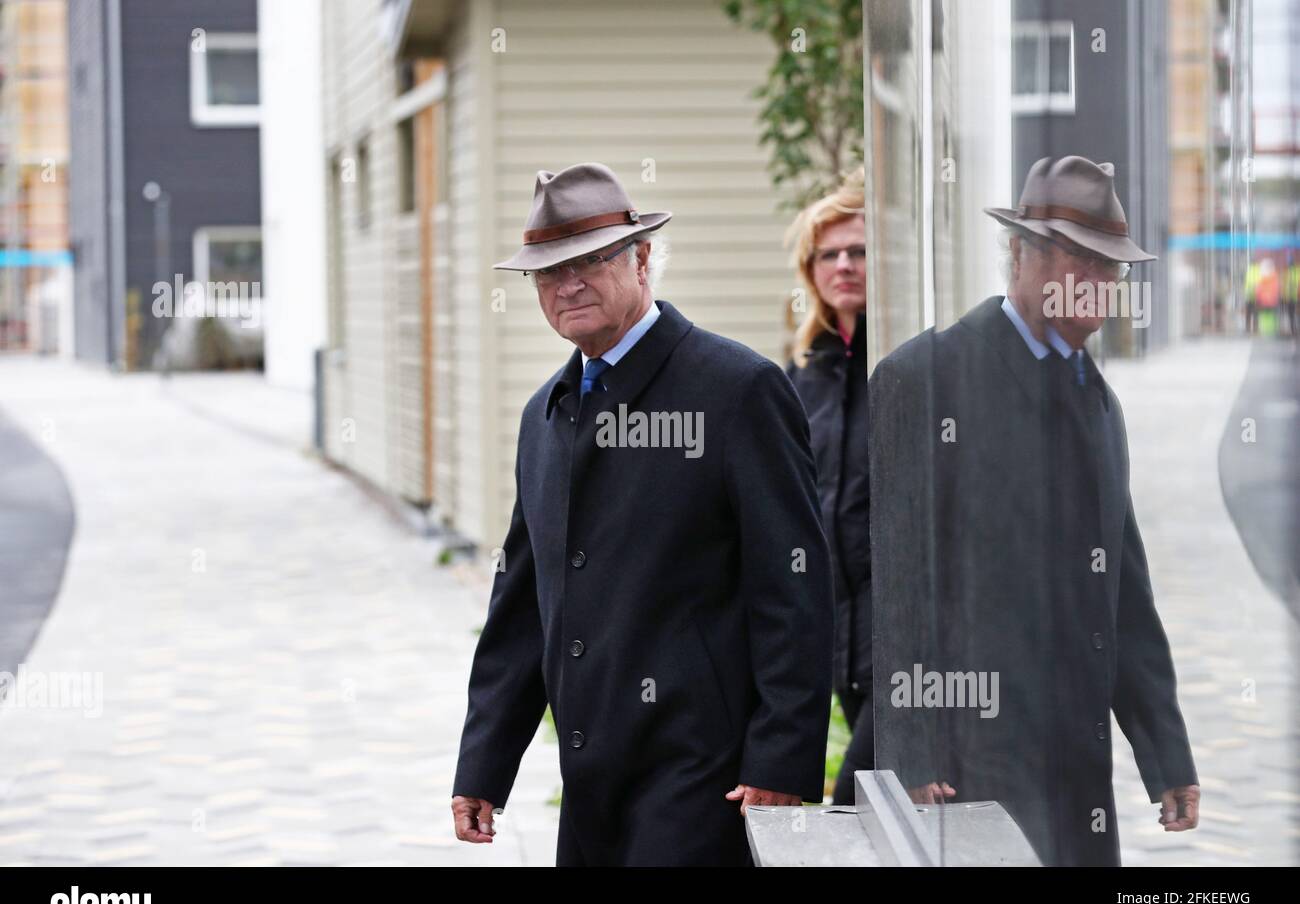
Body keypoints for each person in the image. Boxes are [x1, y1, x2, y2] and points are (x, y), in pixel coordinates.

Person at [450, 162, 833, 865]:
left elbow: (795, 587)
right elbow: (521, 608)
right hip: (591, 783)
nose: (568, 285)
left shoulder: (738, 389)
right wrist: (484, 761)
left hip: (704, 779)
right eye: (547, 271)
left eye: (591, 261)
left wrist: (782, 754)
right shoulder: (546, 415)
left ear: (643, 258)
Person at [869, 156, 1200, 866]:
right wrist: (911, 749)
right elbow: (897, 582)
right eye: (1075, 259)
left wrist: (1164, 751)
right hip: (966, 764)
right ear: (1018, 255)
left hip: (1076, 773)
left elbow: (1124, 593)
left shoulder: (1098, 402)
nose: (1095, 282)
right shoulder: (925, 377)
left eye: (1107, 267)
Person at [783, 168, 872, 806]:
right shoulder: (799, 378)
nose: (843, 264)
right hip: (835, 635)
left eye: (859, 250)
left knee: (850, 805)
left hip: (908, 643)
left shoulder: (909, 364)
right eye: (829, 254)